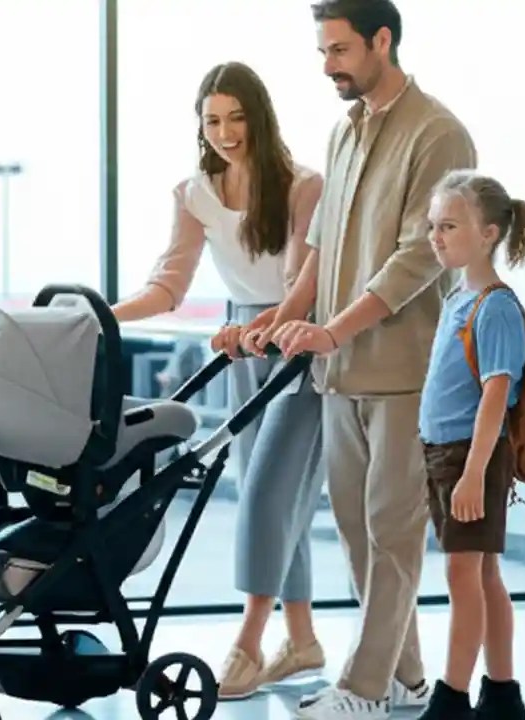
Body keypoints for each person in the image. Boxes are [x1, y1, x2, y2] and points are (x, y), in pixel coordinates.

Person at [244, 1, 477, 718]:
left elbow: (417, 259)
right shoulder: (344, 134)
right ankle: (405, 678)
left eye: (340, 50)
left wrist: (334, 328)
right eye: (322, 51)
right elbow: (320, 247)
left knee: (394, 529)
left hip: (408, 374)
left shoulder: (438, 135)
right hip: (340, 372)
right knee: (354, 526)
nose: (328, 66)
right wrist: (284, 317)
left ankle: (364, 687)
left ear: (384, 40)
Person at [110, 61, 329, 701]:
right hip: (242, 345)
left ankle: (248, 644)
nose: (226, 132)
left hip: (297, 341)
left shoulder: (302, 186)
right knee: (271, 496)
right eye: (213, 120)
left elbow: (297, 281)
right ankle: (303, 638)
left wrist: (265, 324)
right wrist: (101, 314)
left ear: (258, 117)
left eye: (237, 118)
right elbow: (167, 285)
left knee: (266, 494)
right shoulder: (193, 192)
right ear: (199, 126)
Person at [414, 170, 525, 720]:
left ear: (488, 233)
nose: (437, 236)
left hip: (470, 457)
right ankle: (503, 696)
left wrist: (471, 475)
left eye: (450, 225)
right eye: (433, 226)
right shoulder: (458, 298)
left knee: (463, 575)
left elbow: (496, 393)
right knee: (482, 575)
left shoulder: (496, 306)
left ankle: (453, 699)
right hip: (447, 455)